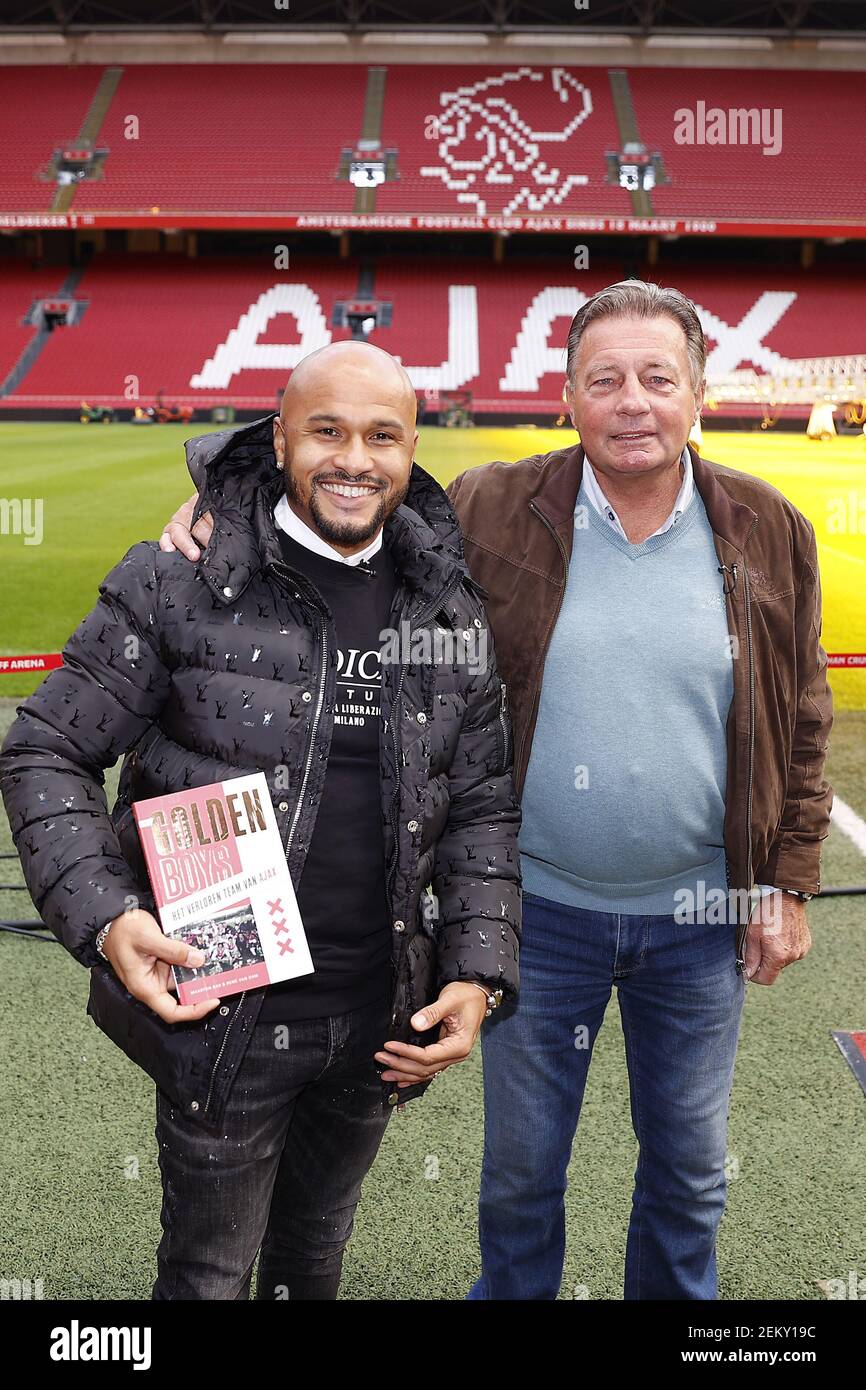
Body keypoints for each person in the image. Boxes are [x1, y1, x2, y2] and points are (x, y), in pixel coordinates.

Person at [161, 281, 833, 1302]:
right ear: (566, 395)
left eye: (657, 378)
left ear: (698, 392)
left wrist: (783, 880)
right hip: (535, 912)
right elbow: (352, 520)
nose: (631, 401)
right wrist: (227, 509)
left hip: (698, 915)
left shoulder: (769, 527)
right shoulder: (487, 506)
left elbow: (801, 711)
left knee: (691, 1174)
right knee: (522, 1177)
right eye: (603, 379)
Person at [0, 340, 521, 1301]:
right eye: (325, 430)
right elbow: (45, 750)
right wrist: (110, 917)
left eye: (382, 435)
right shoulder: (175, 578)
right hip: (224, 1017)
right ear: (278, 438)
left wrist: (479, 971)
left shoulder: (447, 606)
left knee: (309, 1268)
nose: (354, 459)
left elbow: (483, 806)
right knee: (206, 1277)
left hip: (378, 1021)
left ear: (413, 452)